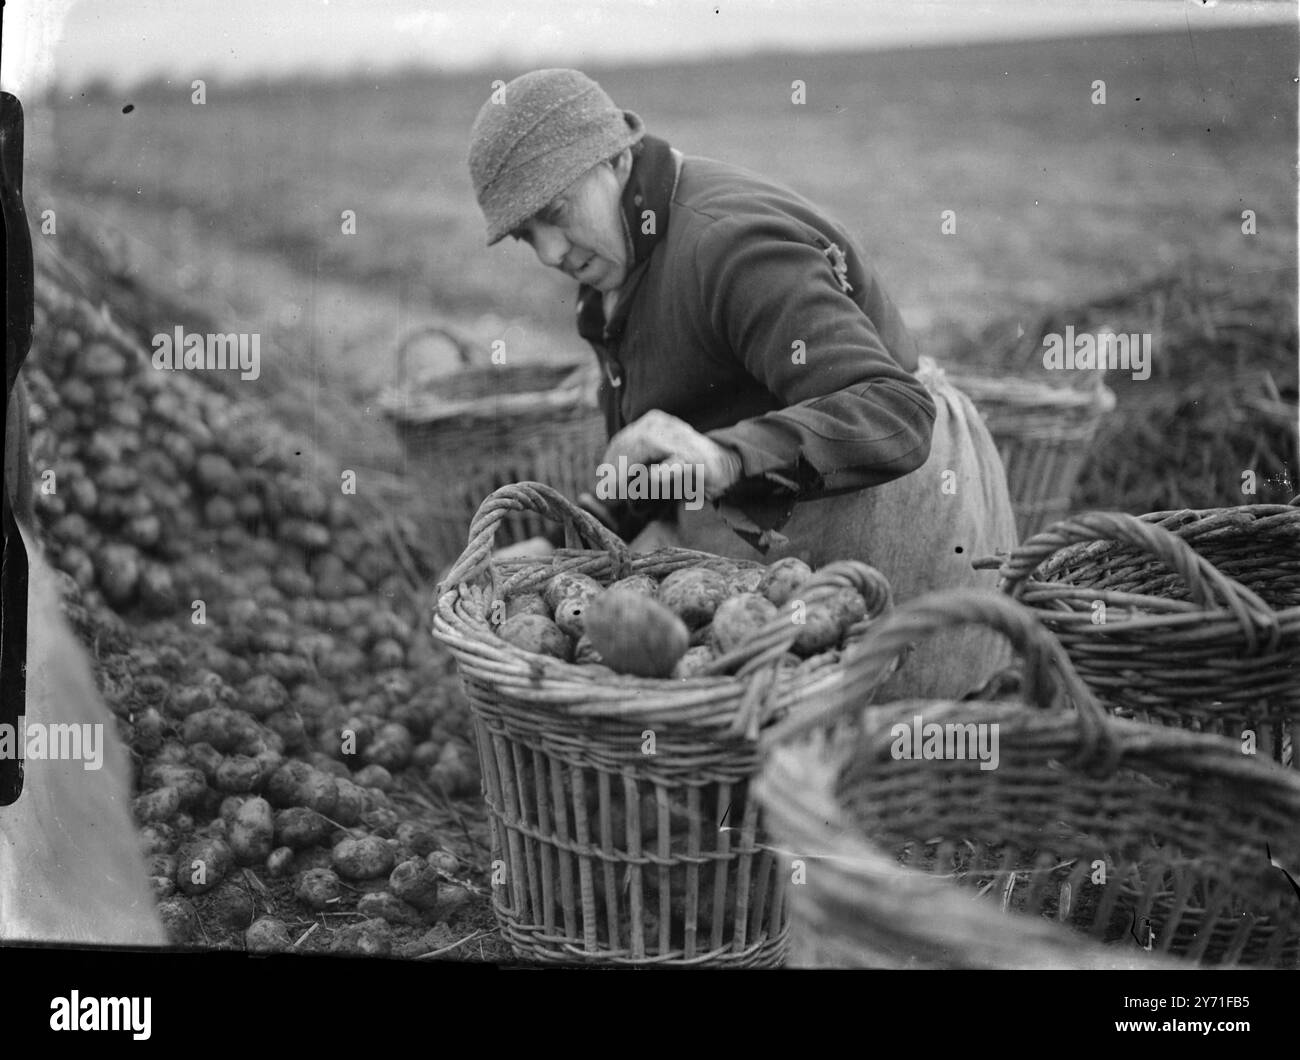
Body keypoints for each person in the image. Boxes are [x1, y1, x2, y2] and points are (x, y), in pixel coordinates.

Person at [467, 69, 1018, 698]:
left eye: (554, 214)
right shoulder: (613, 272)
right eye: (524, 234)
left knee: (885, 758)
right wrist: (570, 541)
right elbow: (660, 450)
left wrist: (728, 457)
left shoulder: (730, 246)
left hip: (892, 506)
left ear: (615, 159)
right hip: (779, 524)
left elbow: (894, 410)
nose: (548, 252)